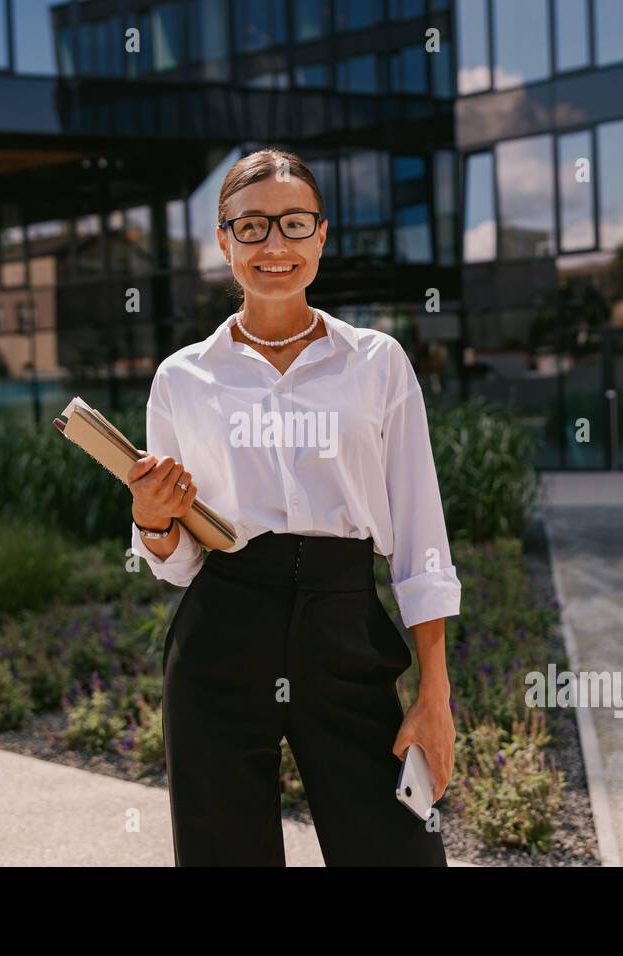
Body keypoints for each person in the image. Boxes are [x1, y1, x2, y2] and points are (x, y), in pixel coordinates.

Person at [126, 147, 462, 866]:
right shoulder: (181, 379)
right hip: (221, 632)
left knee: (399, 852)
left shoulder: (377, 363)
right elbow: (178, 563)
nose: (274, 244)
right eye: (251, 227)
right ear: (222, 240)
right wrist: (152, 519)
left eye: (293, 223)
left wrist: (435, 694)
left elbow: (422, 540)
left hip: (345, 629)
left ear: (322, 235)